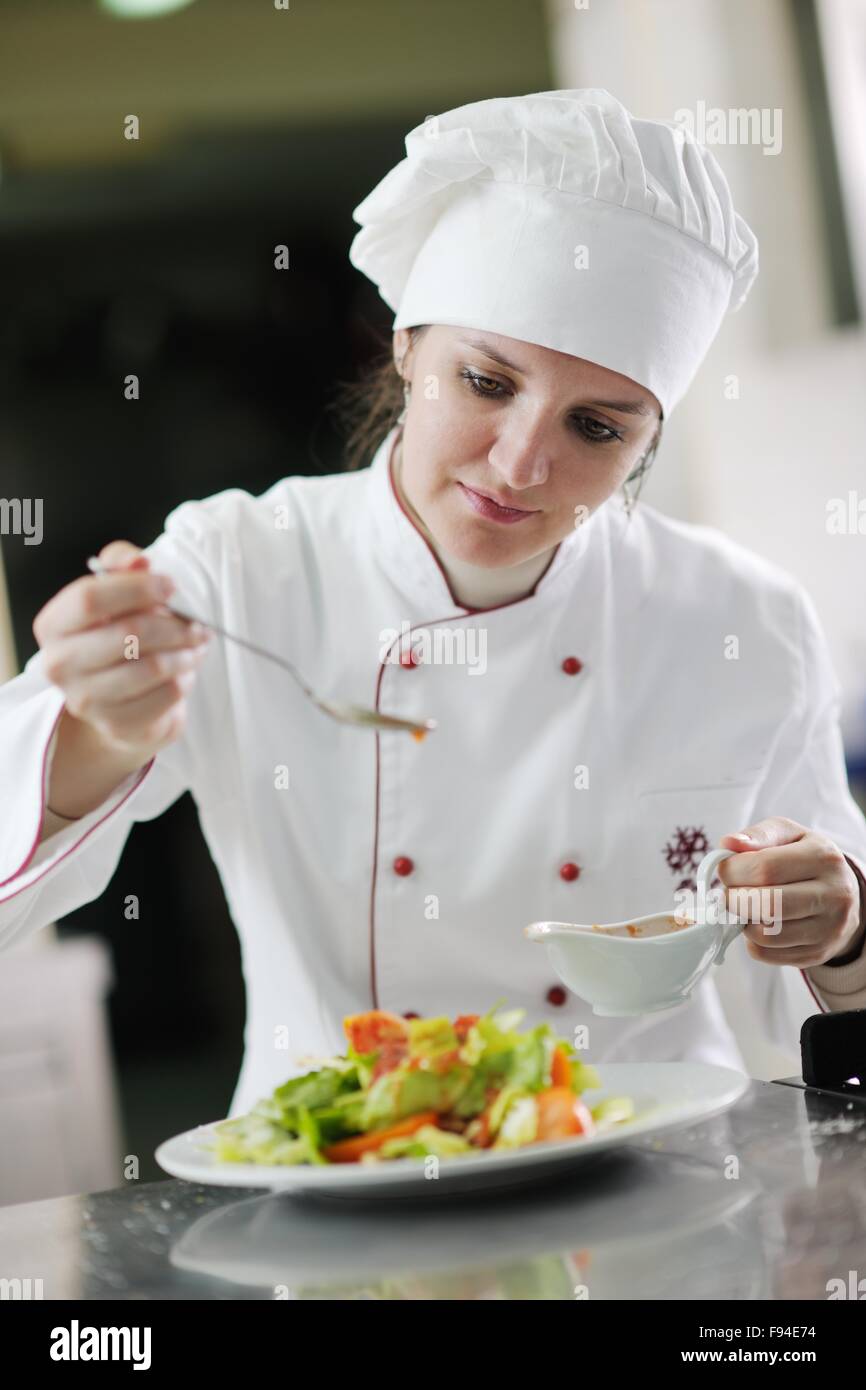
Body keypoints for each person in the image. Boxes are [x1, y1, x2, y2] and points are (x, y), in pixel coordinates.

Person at [1, 89, 864, 1120]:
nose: (519, 463)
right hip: (338, 1176)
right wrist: (96, 726)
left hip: (667, 1191)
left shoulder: (738, 618)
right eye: (486, 382)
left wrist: (842, 925)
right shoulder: (242, 567)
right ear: (405, 346)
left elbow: (813, 992)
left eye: (595, 427)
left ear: (646, 444)